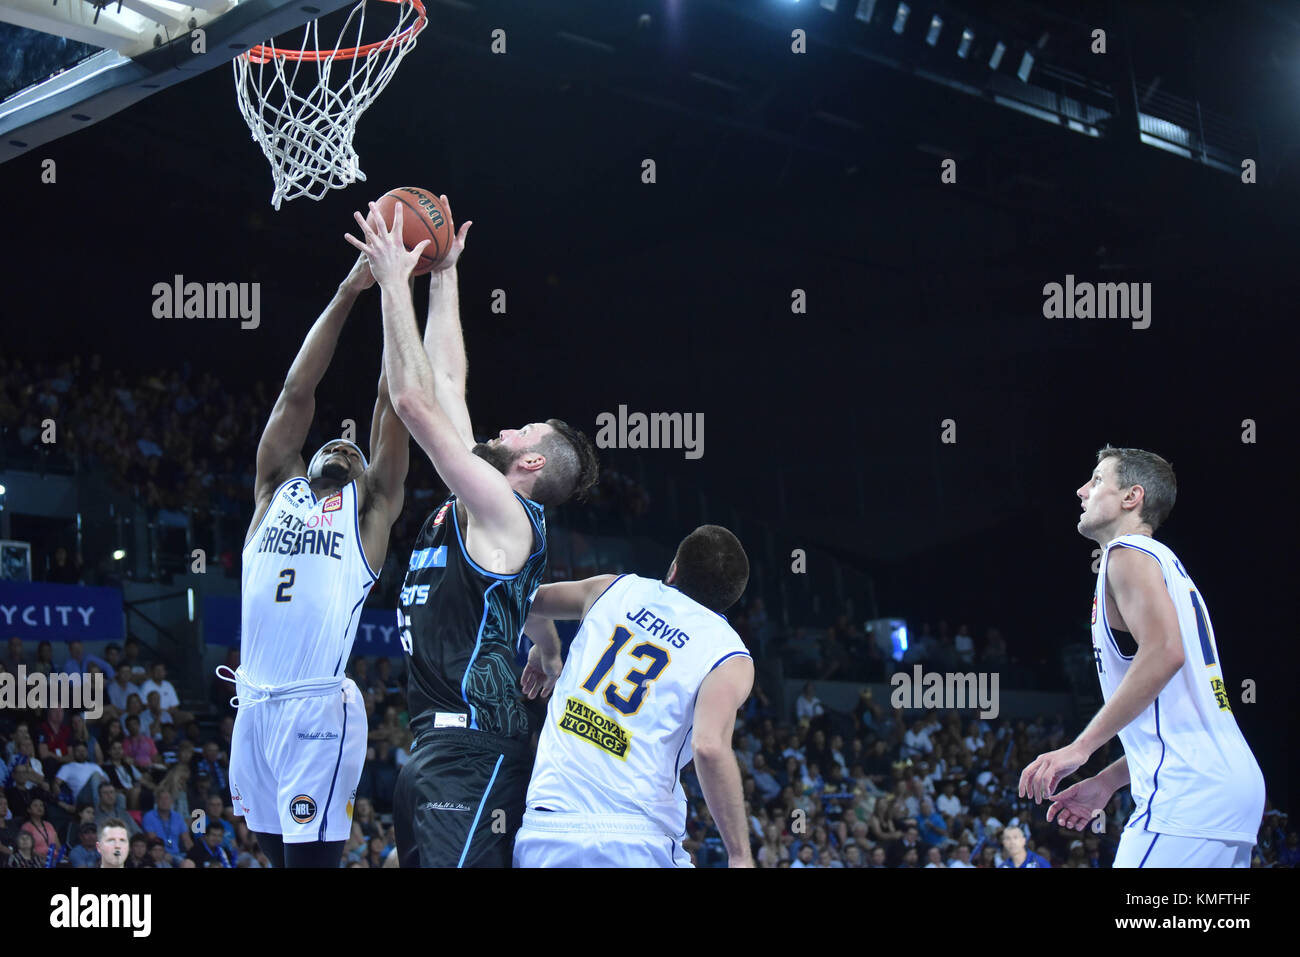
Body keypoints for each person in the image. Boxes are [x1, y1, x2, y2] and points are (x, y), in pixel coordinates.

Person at [347, 199, 598, 868]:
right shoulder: (483, 503)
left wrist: (394, 278)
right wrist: (445, 272)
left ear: (532, 463)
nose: (505, 428)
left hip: (473, 755)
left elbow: (413, 400)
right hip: (436, 751)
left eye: (522, 432)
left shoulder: (503, 511)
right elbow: (448, 378)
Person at [222, 251, 410, 869]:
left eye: (354, 450)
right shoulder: (276, 489)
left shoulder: (367, 515)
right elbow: (296, 391)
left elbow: (392, 401)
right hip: (252, 710)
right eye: (333, 440)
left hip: (316, 709)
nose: (343, 443)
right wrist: (348, 290)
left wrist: (392, 293)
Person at [1020, 447, 1266, 869]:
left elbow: (1165, 652)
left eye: (1097, 481)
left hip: (1188, 793)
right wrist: (1107, 781)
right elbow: (1176, 715)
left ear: (1132, 497)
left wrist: (1080, 749)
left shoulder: (1126, 553)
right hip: (1226, 785)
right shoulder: (1167, 565)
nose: (1082, 491)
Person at [513, 525, 754, 868]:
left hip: (547, 829)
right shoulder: (729, 653)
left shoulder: (612, 587)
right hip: (636, 837)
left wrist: (548, 650)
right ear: (730, 599)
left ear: (673, 569)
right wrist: (740, 855)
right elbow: (709, 747)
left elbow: (523, 600)